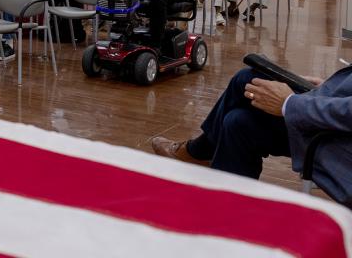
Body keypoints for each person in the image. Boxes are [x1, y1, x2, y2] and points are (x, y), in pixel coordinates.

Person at [151, 64, 352, 205]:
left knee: (246, 79)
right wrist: (331, 87)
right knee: (237, 122)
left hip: (339, 146)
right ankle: (229, 211)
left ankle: (198, 151)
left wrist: (289, 104)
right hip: (337, 126)